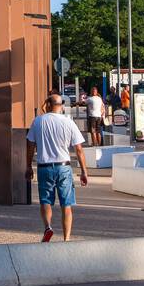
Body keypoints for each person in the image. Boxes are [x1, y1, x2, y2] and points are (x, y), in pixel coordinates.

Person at [26, 93, 89, 242]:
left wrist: (28, 166)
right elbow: (79, 149)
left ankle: (48, 227)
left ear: (47, 104)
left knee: (46, 201)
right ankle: (66, 239)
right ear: (62, 105)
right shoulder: (68, 122)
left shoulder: (38, 122)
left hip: (44, 167)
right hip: (63, 167)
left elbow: (30, 146)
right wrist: (84, 171)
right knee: (66, 204)